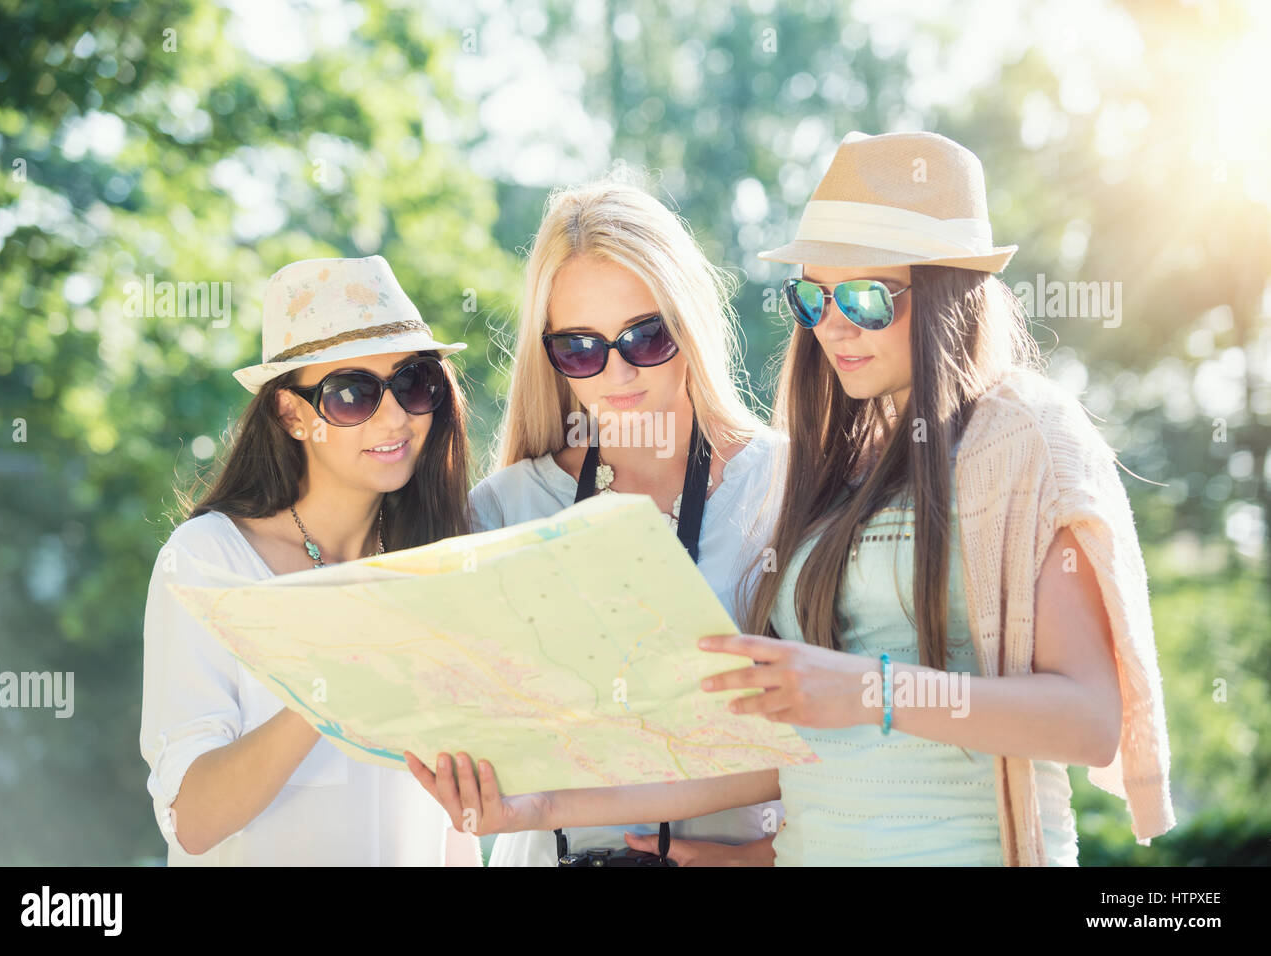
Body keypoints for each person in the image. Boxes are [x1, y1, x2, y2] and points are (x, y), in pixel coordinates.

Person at [408, 131, 1177, 866]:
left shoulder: (1023, 434)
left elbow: (1090, 722)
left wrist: (871, 689)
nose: (835, 328)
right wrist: (542, 812)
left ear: (951, 293)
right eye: (814, 301)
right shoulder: (834, 471)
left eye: (869, 299)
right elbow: (799, 754)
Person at [467, 177, 788, 866]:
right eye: (581, 348)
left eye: (646, 337)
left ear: (689, 321)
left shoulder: (789, 486)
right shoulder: (501, 510)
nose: (617, 373)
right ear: (549, 353)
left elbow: (852, 740)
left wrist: (754, 859)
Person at [140, 254, 481, 865]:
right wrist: (329, 682)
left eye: (413, 382)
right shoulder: (206, 561)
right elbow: (191, 819)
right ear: (291, 414)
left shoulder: (445, 559)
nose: (396, 416)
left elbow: (456, 830)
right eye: (352, 394)